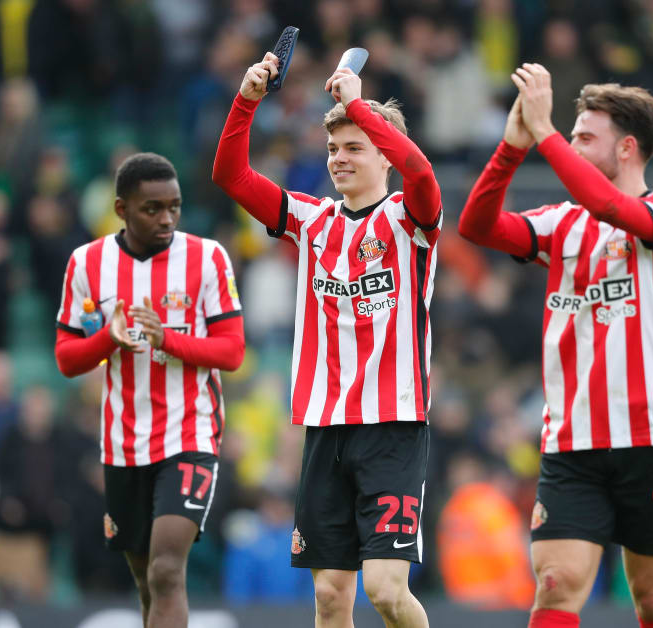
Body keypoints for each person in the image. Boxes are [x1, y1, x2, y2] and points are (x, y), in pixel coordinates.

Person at [458, 64, 653, 628]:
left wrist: (543, 132)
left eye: (585, 137)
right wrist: (513, 147)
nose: (569, 145)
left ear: (627, 148)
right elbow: (476, 226)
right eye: (569, 135)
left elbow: (612, 208)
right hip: (572, 441)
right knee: (555, 584)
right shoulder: (561, 223)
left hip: (652, 436)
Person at [213, 51, 441, 628]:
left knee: (385, 591)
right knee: (330, 599)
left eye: (354, 147)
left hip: (392, 427)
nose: (339, 158)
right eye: (333, 148)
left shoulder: (410, 220)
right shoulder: (311, 219)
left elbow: (421, 174)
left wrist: (359, 105)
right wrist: (246, 100)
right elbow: (231, 177)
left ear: (384, 154)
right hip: (325, 427)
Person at [54, 152, 245, 628]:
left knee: (165, 571)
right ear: (121, 209)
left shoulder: (207, 258)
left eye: (174, 207)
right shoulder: (87, 263)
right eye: (152, 208)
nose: (166, 219)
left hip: (189, 434)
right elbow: (67, 358)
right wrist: (107, 339)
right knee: (144, 582)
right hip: (123, 443)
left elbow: (232, 351)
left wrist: (168, 339)